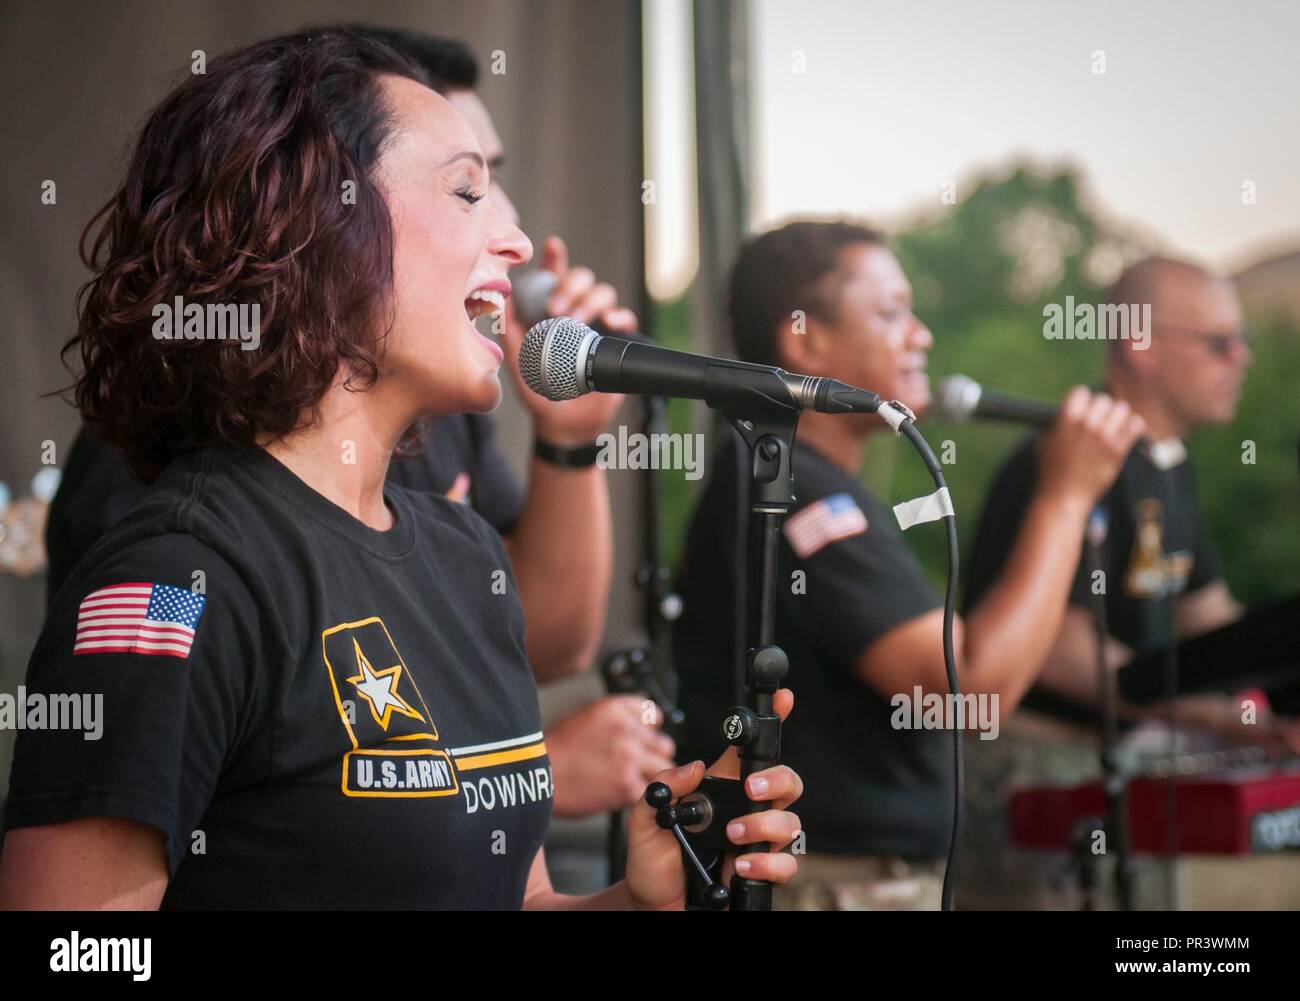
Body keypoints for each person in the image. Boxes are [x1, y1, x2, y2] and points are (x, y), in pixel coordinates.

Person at [0, 27, 800, 909]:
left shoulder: (464, 553)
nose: (520, 242)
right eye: (466, 190)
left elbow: (516, 898)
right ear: (318, 219)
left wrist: (646, 899)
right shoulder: (180, 576)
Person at [672, 220, 1144, 910]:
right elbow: (965, 684)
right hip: (835, 880)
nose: (921, 334)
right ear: (805, 337)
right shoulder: (794, 487)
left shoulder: (804, 476)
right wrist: (1065, 496)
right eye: (892, 312)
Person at [966, 256, 1299, 745]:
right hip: (1042, 754)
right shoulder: (1068, 456)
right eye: (1219, 344)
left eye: (1242, 340)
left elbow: (1205, 614)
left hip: (1131, 740)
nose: (1241, 358)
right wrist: (1231, 722)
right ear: (1140, 345)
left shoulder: (1171, 461)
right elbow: (1063, 657)